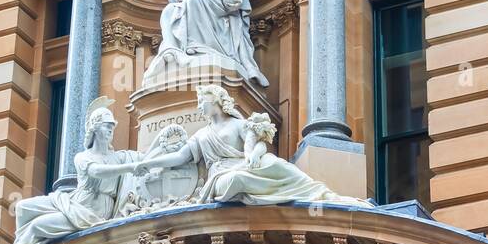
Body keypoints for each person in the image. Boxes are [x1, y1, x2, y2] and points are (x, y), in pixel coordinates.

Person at [143, 87, 370, 207]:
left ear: (214, 102)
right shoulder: (202, 135)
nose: (199, 106)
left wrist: (253, 155)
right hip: (223, 175)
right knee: (236, 180)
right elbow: (178, 158)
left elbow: (256, 146)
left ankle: (327, 197)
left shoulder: (241, 124)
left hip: (247, 164)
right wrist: (146, 163)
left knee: (279, 164)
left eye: (202, 101)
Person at [0, 97, 141, 244]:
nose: (110, 130)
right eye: (107, 126)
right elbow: (96, 171)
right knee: (21, 207)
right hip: (74, 201)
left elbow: (146, 158)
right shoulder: (83, 157)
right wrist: (130, 168)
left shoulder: (120, 157)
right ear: (95, 128)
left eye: (112, 127)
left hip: (93, 212)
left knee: (36, 227)